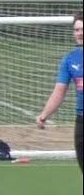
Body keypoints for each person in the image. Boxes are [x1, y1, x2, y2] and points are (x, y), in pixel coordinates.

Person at [35, 11, 83, 173]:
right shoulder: (70, 59)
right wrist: (44, 114)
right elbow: (59, 91)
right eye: (77, 30)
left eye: (83, 29)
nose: (80, 33)